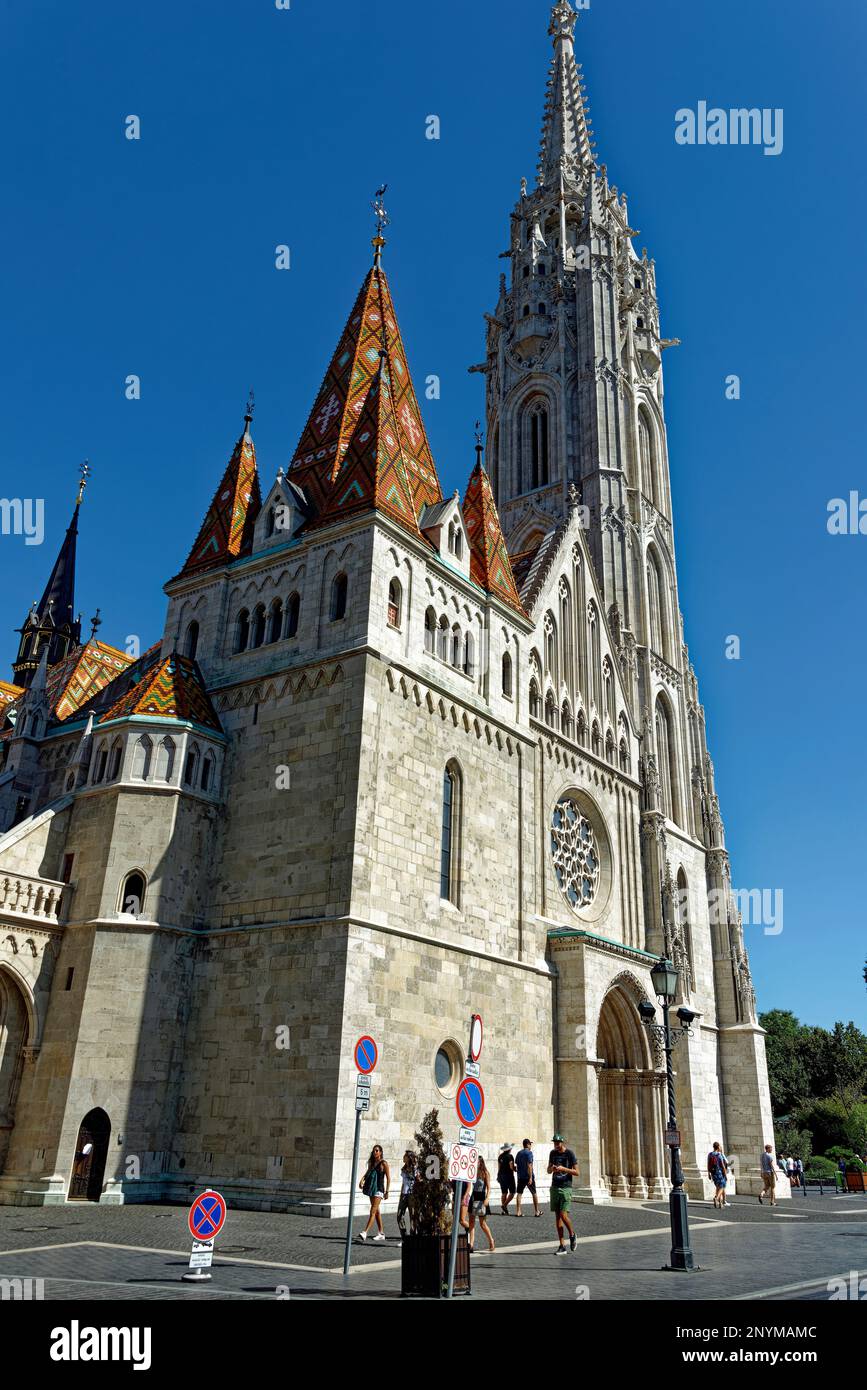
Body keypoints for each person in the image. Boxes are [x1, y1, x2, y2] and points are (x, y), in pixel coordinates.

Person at [547, 1132, 579, 1255]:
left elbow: (577, 1172)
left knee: (563, 1215)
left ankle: (572, 1234)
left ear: (562, 1142)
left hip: (566, 1188)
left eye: (558, 1142)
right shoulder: (552, 1153)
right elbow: (548, 1170)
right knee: (557, 1217)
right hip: (555, 1187)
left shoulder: (569, 1154)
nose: (556, 1145)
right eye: (554, 1142)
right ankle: (562, 1245)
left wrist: (563, 1169)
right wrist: (552, 1169)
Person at [461, 1156, 495, 1253]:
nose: (475, 1163)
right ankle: (471, 1245)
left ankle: (491, 1240)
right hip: (473, 1197)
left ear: (481, 1163)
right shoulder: (472, 1172)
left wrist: (487, 1198)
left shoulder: (485, 1173)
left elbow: (489, 1187)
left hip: (481, 1197)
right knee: (471, 1223)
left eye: (477, 1162)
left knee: (482, 1224)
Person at [358, 1144, 390, 1242]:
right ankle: (381, 1233)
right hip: (372, 1188)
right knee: (376, 1211)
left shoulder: (384, 1163)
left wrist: (387, 1191)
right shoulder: (372, 1162)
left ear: (380, 1152)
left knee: (372, 1211)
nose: (375, 1152)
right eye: (374, 1151)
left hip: (379, 1190)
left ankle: (365, 1232)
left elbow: (388, 1178)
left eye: (377, 1150)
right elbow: (368, 1172)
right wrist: (362, 1179)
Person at [515, 1138, 541, 1217]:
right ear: (528, 1144)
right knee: (534, 1193)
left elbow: (516, 1165)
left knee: (519, 1193)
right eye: (530, 1144)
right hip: (528, 1176)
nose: (531, 1146)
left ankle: (518, 1211)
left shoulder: (519, 1153)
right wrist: (530, 1178)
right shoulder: (529, 1153)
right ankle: (537, 1211)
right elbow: (529, 1165)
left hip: (520, 1177)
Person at [396, 1150, 417, 1237]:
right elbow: (403, 1182)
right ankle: (404, 1237)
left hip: (412, 1194)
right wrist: (401, 1194)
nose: (403, 1157)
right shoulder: (404, 1169)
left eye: (405, 1156)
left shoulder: (415, 1169)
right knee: (399, 1215)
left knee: (412, 1216)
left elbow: (418, 1181)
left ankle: (412, 1237)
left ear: (409, 1158)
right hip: (404, 1194)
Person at [707, 1141, 730, 1208]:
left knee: (717, 1187)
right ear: (718, 1147)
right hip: (719, 1173)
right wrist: (725, 1174)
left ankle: (720, 1204)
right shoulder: (719, 1155)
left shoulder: (710, 1154)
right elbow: (723, 1166)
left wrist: (708, 1173)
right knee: (722, 1187)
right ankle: (716, 1198)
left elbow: (708, 1164)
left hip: (713, 1173)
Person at [497, 1144, 517, 1215]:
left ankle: (503, 1211)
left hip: (501, 1176)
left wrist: (498, 1176)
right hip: (509, 1176)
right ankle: (504, 1205)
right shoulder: (510, 1156)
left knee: (504, 1193)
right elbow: (511, 1167)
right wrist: (515, 1169)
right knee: (512, 1192)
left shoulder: (500, 1156)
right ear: (509, 1149)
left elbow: (499, 1167)